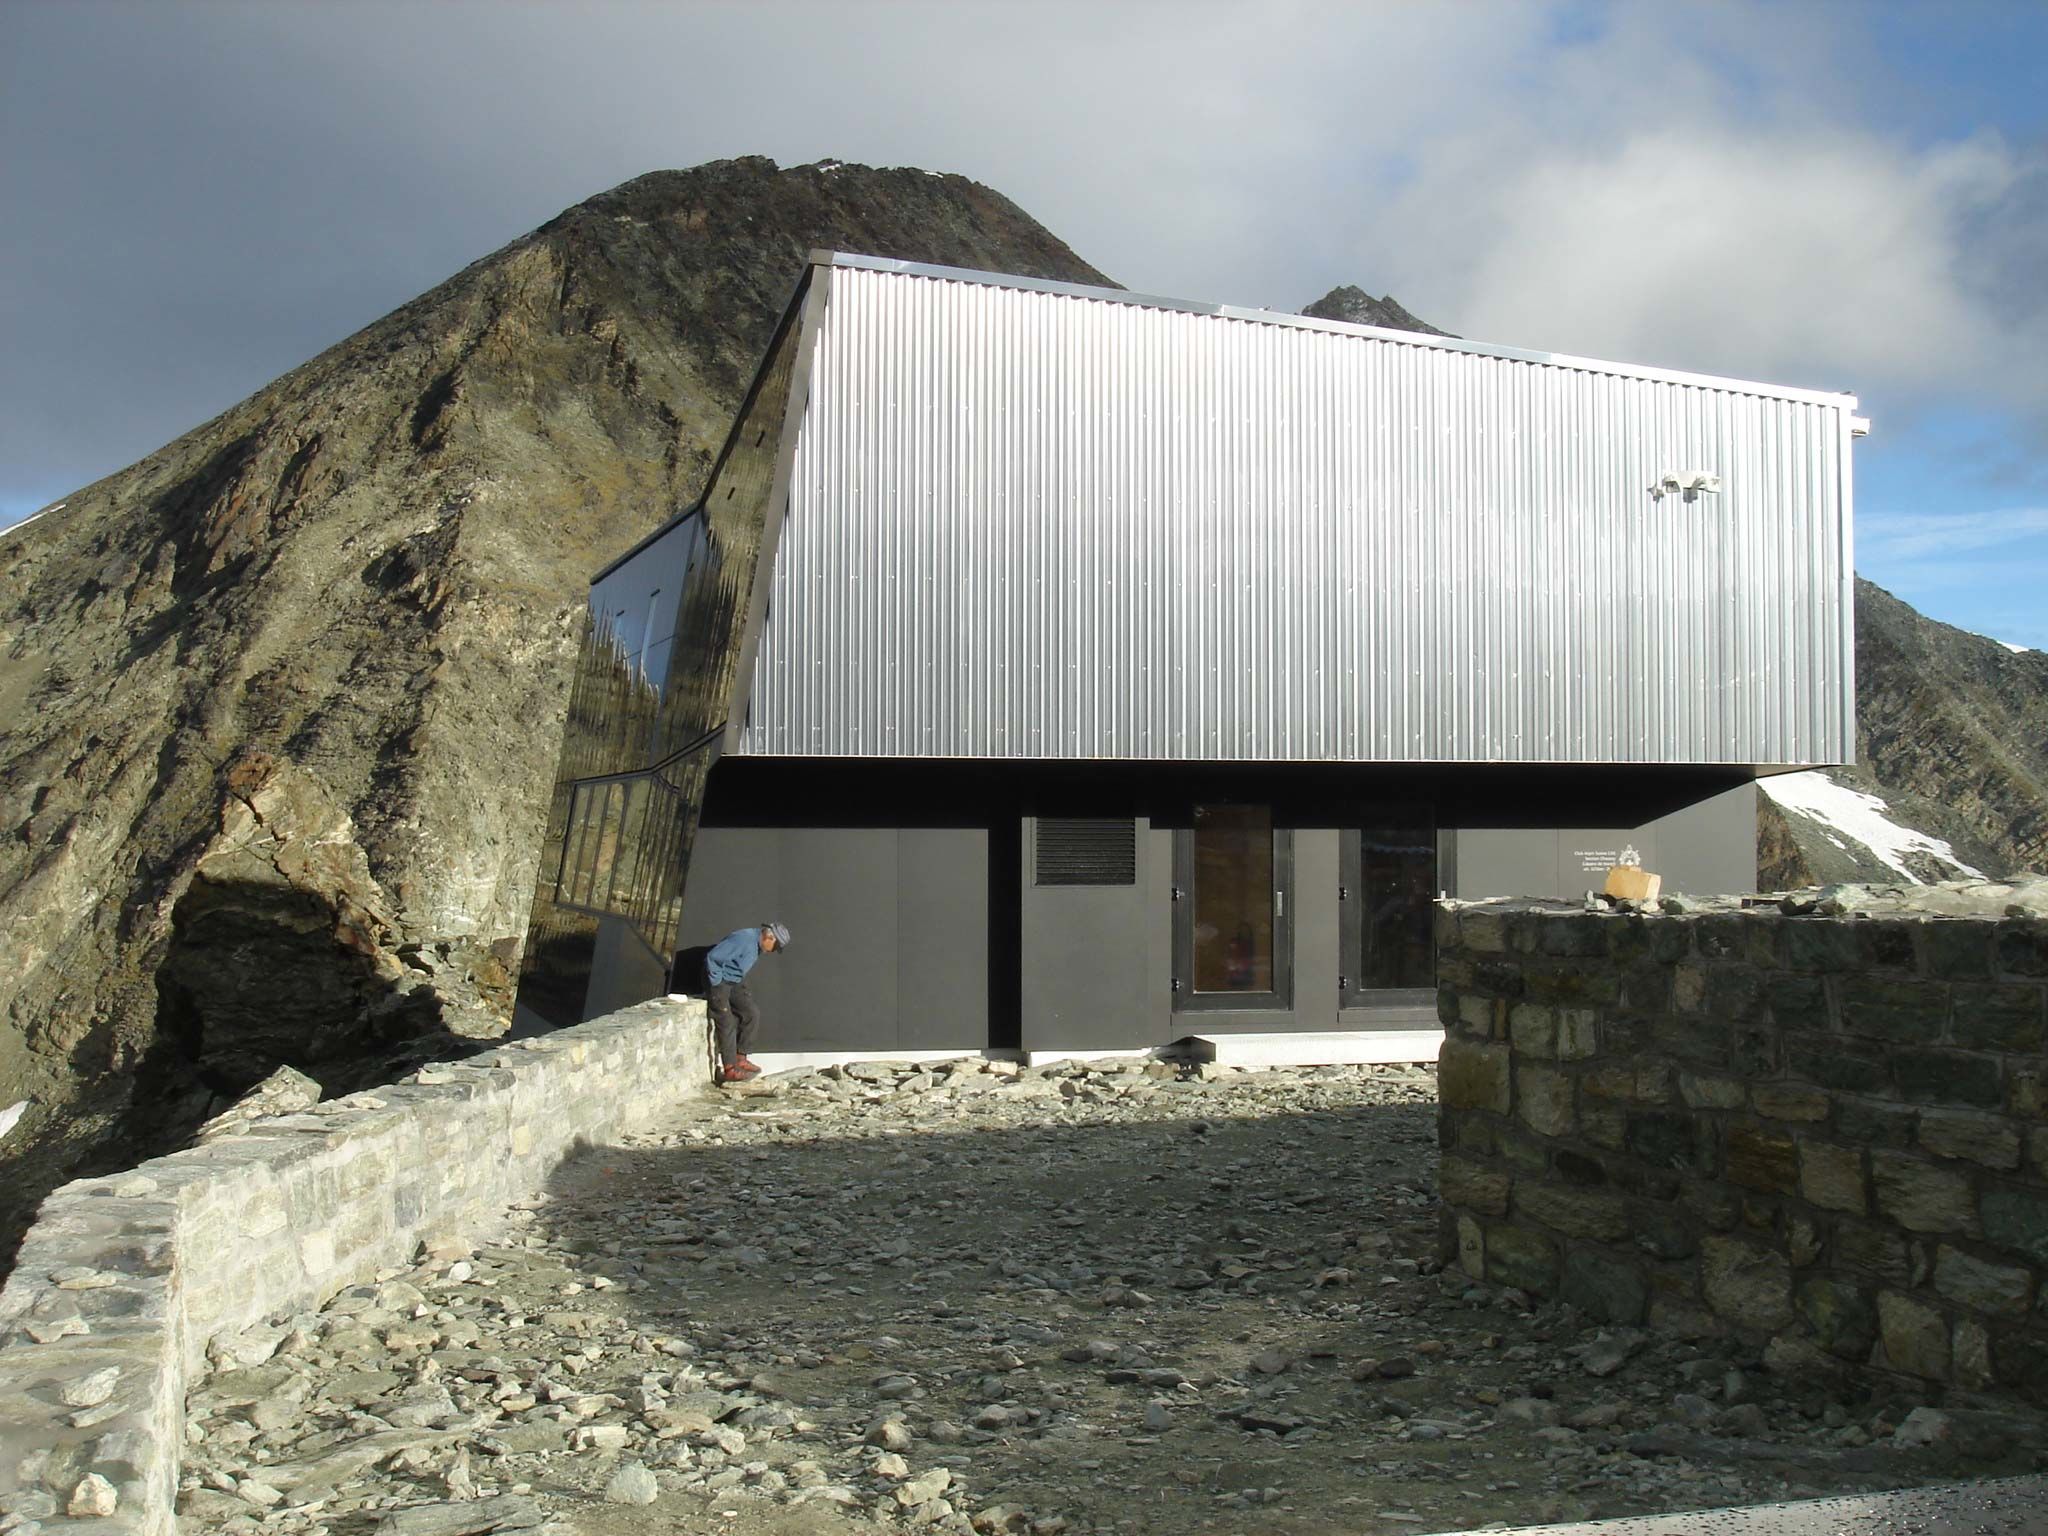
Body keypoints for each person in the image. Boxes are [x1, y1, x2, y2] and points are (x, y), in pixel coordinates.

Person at [704, 921, 789, 1083]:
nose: (773, 951)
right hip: (720, 981)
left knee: (751, 1013)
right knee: (726, 1020)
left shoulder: (758, 945)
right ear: (769, 938)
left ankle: (740, 1057)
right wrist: (716, 984)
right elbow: (713, 958)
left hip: (734, 981)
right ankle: (729, 1068)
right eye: (776, 946)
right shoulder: (743, 939)